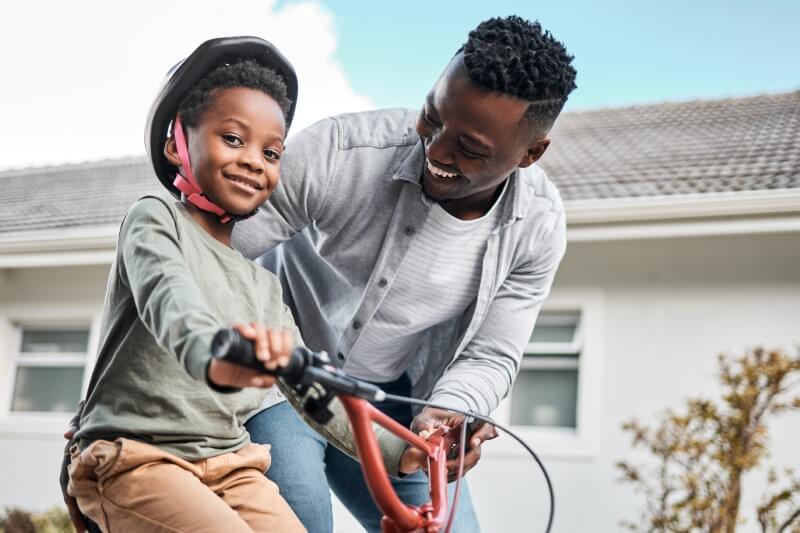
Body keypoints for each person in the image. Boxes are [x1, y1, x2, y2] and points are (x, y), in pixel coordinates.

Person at [231, 15, 577, 533]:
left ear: (531, 153)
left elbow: (492, 353)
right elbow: (201, 257)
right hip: (278, 377)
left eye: (470, 148)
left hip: (392, 401)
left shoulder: (538, 228)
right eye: (431, 117)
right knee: (296, 523)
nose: (435, 150)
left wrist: (451, 413)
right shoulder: (340, 153)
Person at [60, 36, 416, 533]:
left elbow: (313, 392)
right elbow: (172, 303)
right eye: (233, 139)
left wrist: (407, 453)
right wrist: (219, 355)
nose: (255, 160)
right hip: (136, 457)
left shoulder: (263, 285)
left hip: (230, 465)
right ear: (175, 144)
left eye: (271, 152)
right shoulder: (155, 220)